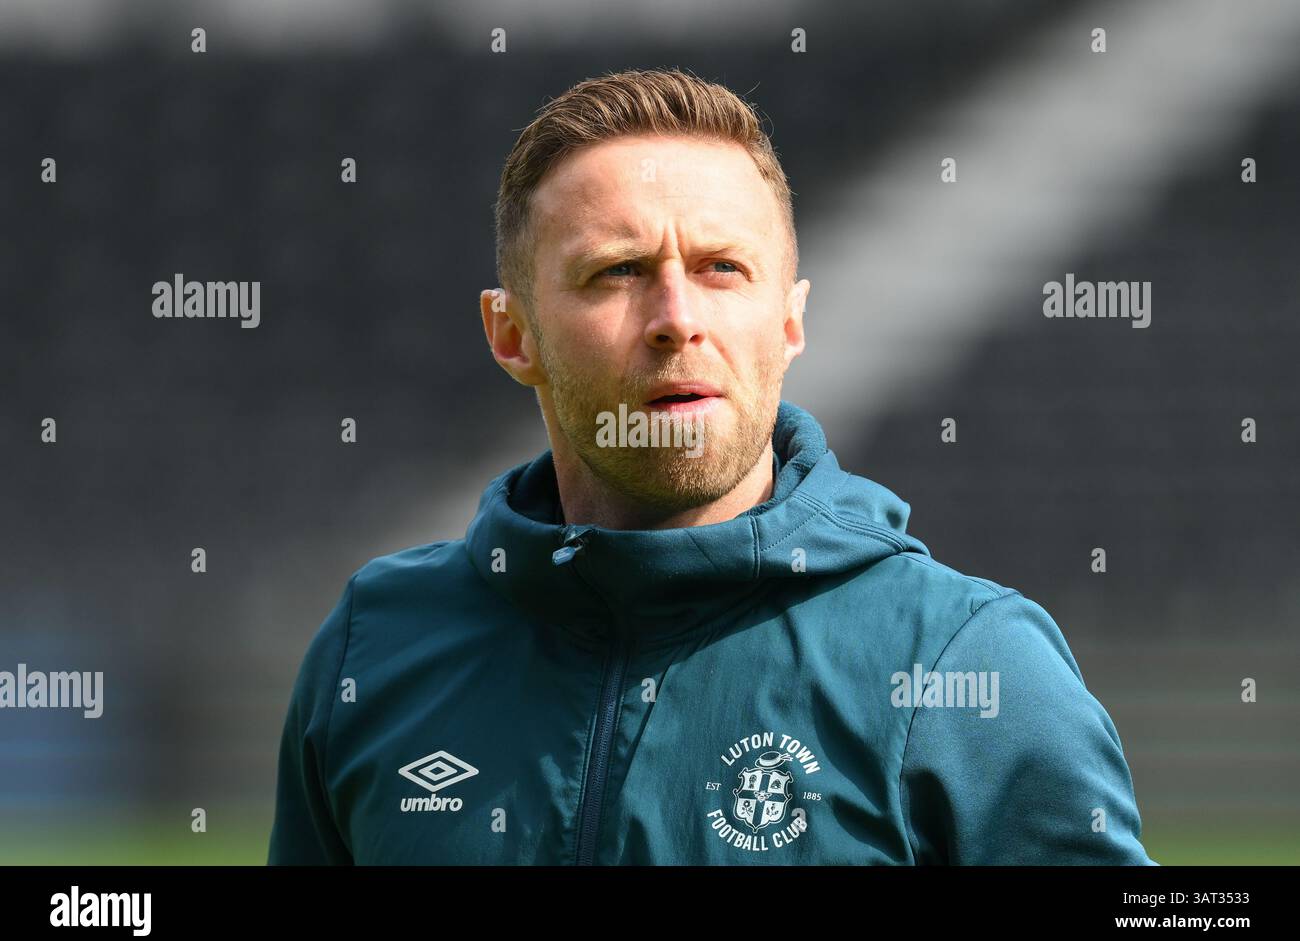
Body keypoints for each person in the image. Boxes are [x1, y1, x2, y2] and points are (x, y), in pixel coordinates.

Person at [268, 67, 1156, 865]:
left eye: (722, 268)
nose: (676, 317)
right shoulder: (376, 649)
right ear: (512, 333)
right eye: (617, 272)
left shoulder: (967, 661)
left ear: (790, 320)